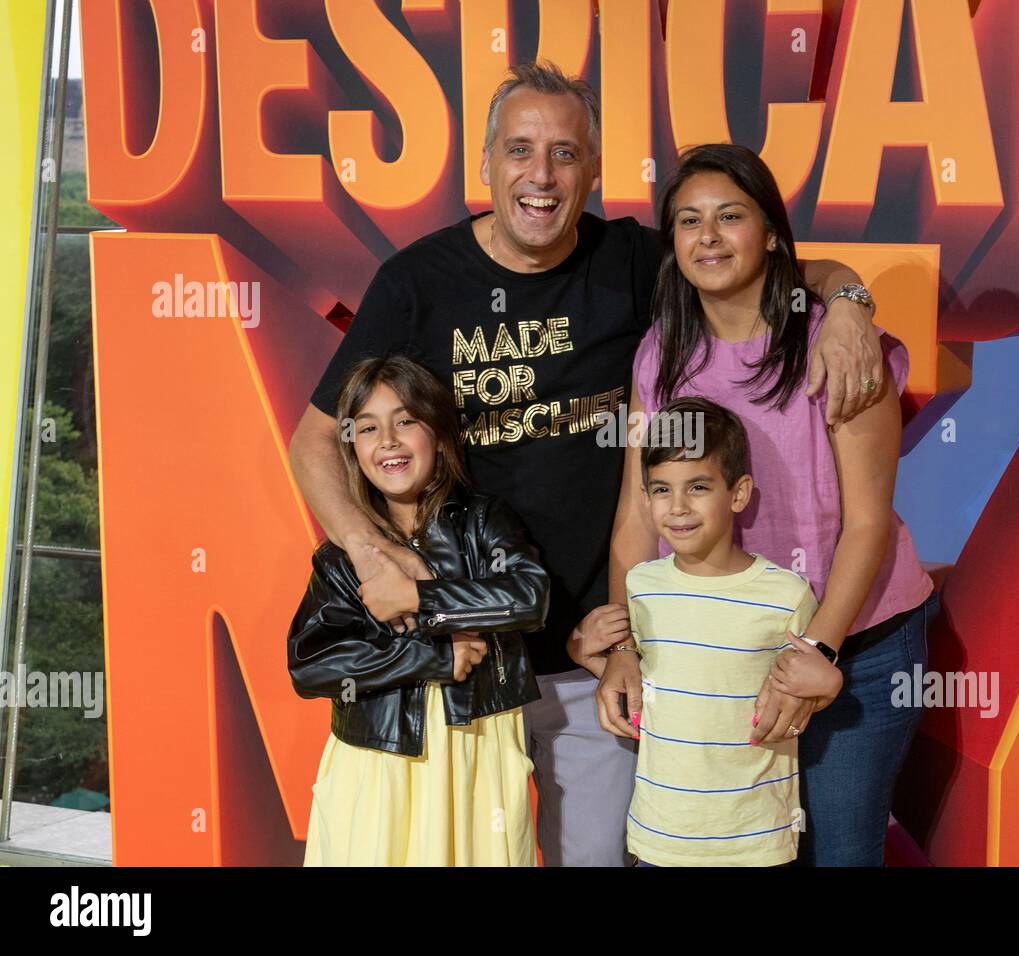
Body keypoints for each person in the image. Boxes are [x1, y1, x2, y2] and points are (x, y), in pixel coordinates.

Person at [289, 60, 885, 867]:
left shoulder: (630, 261)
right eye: (520, 149)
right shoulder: (417, 284)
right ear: (487, 164)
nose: (542, 174)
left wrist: (847, 299)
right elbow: (315, 438)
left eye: (565, 153)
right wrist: (373, 557)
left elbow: (748, 261)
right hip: (458, 658)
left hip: (592, 657)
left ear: (595, 169)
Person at [593, 143, 939, 866]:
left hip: (856, 644)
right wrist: (625, 645)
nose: (709, 236)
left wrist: (816, 650)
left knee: (840, 853)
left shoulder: (837, 342)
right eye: (689, 221)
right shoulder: (661, 354)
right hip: (718, 656)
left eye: (730, 216)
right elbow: (635, 512)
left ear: (773, 233)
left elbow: (868, 519)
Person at [287, 355, 549, 866]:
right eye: (368, 427)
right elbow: (311, 664)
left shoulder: (483, 522)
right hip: (377, 759)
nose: (388, 439)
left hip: (477, 748)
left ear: (439, 433)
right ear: (352, 448)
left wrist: (422, 601)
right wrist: (431, 659)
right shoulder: (345, 554)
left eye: (405, 420)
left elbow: (527, 597)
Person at [609, 397, 823, 866]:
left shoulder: (787, 595)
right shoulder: (640, 586)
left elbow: (813, 692)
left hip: (755, 842)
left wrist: (832, 682)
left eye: (699, 486)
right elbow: (615, 663)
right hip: (660, 838)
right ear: (645, 498)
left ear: (739, 493)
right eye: (661, 489)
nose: (678, 507)